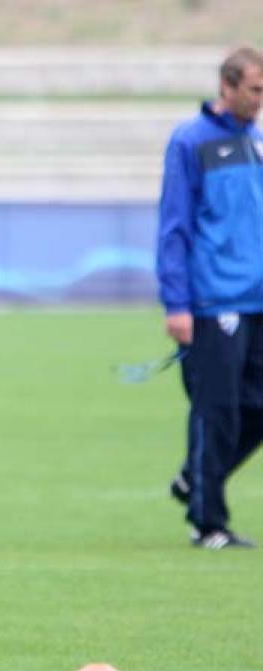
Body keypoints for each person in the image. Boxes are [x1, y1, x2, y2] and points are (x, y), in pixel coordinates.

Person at [157, 46, 263, 550]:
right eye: (254, 90)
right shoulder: (192, 141)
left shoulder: (257, 141)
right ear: (227, 86)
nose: (260, 100)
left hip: (258, 298)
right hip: (214, 299)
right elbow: (174, 228)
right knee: (215, 408)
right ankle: (208, 522)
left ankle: (194, 477)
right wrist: (176, 303)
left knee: (257, 409)